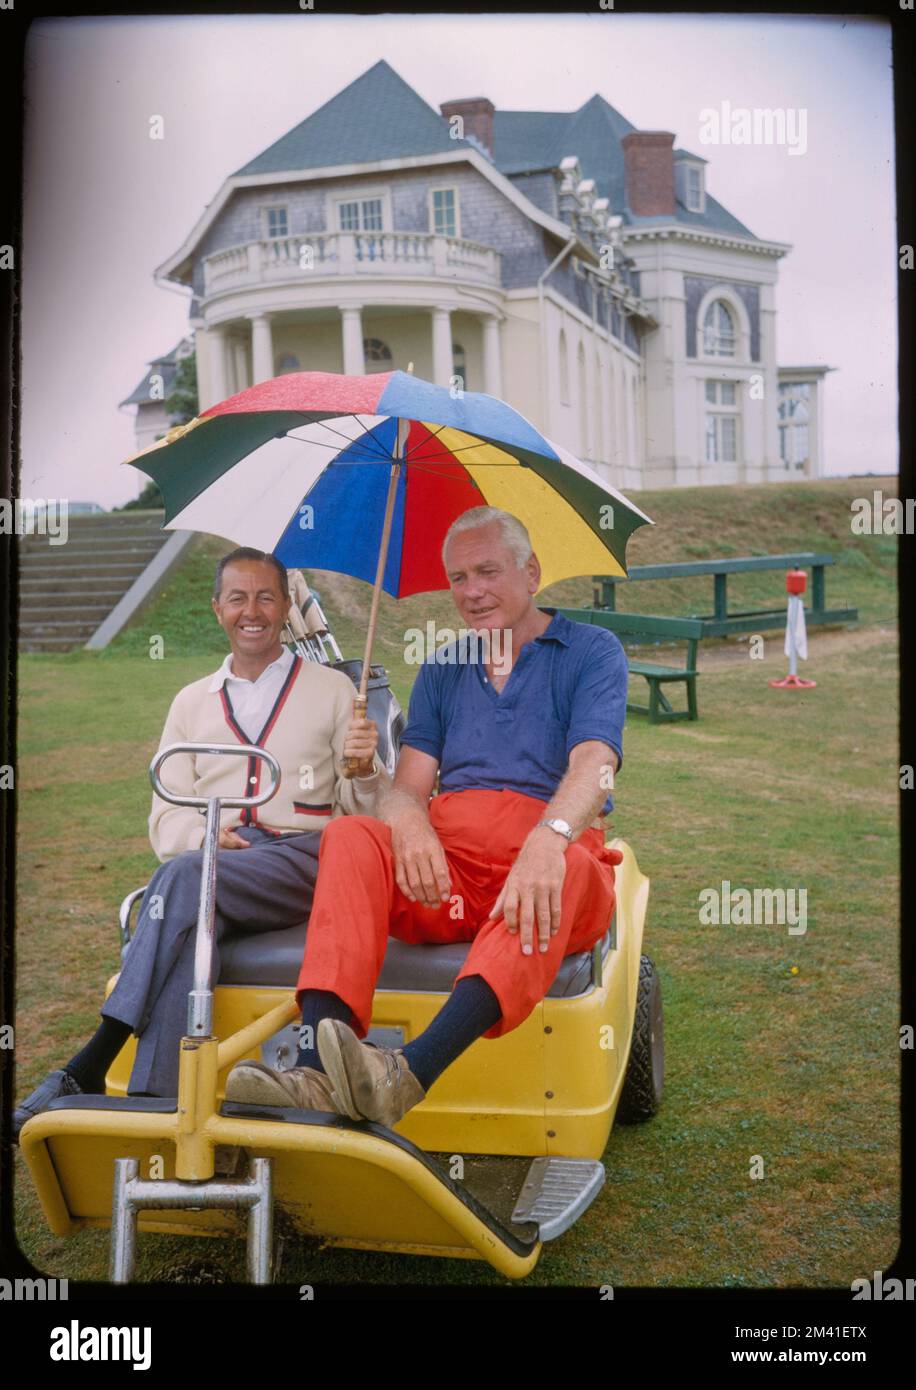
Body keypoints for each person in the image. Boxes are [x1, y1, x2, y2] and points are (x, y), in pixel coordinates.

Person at [226, 506, 628, 1127]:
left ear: (531, 572)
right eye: (459, 577)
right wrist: (399, 810)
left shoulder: (591, 651)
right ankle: (314, 1064)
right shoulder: (443, 667)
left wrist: (548, 839)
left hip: (544, 864)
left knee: (571, 866)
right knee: (353, 834)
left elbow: (596, 762)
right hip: (452, 877)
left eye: (487, 572)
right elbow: (409, 790)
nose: (471, 592)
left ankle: (408, 1070)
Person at [13, 547, 386, 1138]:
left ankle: (93, 1059)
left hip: (302, 864)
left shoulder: (336, 691)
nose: (252, 610)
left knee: (189, 877)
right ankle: (158, 1115)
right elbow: (166, 818)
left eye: (266, 596)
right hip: (219, 869)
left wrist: (364, 770)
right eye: (237, 598)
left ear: (287, 606)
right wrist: (207, 835)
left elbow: (366, 819)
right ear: (217, 609)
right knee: (191, 930)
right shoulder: (191, 701)